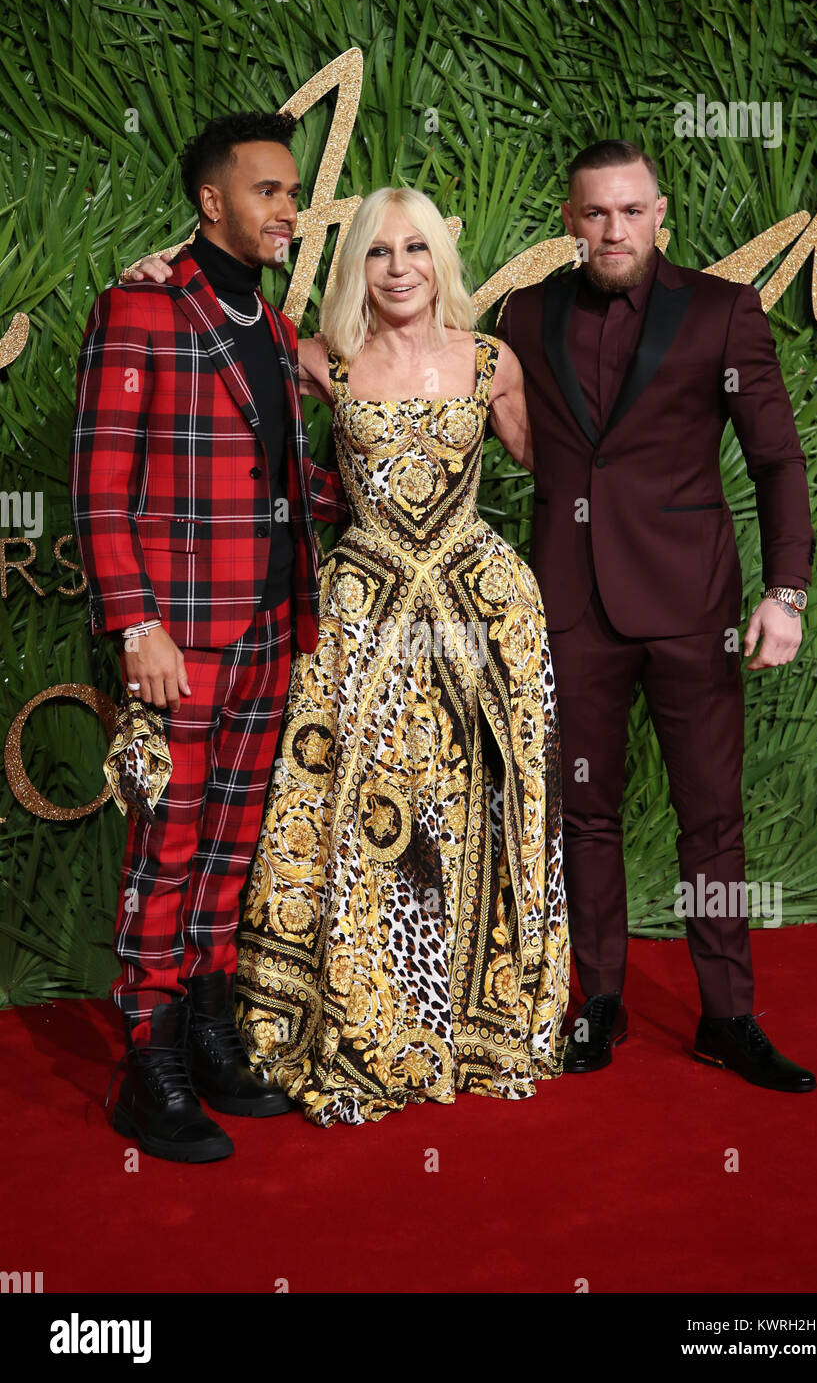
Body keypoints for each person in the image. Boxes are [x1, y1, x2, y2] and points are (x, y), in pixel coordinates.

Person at [138, 185, 572, 1125]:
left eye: (416, 248)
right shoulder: (321, 361)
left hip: (479, 621)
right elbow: (217, 332)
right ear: (357, 271)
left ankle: (476, 1022)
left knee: (474, 817)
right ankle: (370, 1022)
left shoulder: (491, 361)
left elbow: (561, 467)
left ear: (441, 262)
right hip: (361, 616)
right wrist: (159, 280)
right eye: (378, 252)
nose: (400, 267)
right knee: (359, 822)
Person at [497, 139, 817, 1092]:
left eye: (631, 211)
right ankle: (599, 1003)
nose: (613, 229)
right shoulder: (523, 315)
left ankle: (727, 1016)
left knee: (711, 820)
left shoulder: (721, 311)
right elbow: (411, 355)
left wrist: (785, 593)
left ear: (660, 214)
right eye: (595, 212)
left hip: (694, 609)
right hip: (573, 606)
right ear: (569, 219)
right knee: (584, 814)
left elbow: (778, 462)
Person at [69, 110, 349, 1162]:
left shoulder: (273, 329)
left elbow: (283, 478)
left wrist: (388, 486)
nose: (287, 208)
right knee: (169, 842)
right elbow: (100, 482)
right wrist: (134, 618)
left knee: (229, 844)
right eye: (268, 191)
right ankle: (148, 1058)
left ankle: (206, 1024)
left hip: (274, 627)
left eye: (291, 191)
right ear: (211, 201)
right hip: (179, 636)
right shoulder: (140, 308)